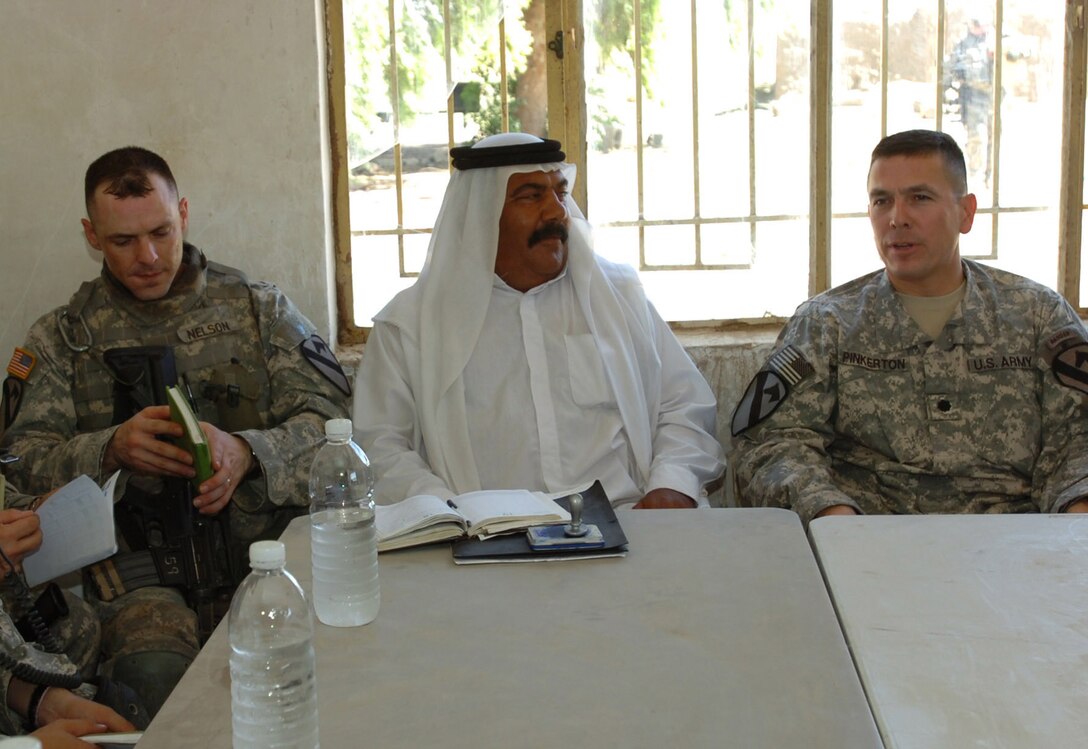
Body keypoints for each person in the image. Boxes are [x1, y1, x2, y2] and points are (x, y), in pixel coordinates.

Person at [0, 147, 351, 715]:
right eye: (122, 241)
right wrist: (108, 448)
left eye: (161, 231)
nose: (147, 256)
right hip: (139, 587)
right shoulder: (61, 341)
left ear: (183, 213)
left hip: (269, 561)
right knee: (153, 685)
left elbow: (338, 434)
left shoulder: (258, 310)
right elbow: (16, 468)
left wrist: (247, 453)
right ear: (91, 235)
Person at [730, 129, 1088, 525]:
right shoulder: (827, 323)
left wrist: (1074, 528)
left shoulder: (1036, 315)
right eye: (882, 201)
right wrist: (833, 516)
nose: (897, 219)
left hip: (1014, 542)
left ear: (966, 213)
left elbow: (1078, 438)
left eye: (920, 198)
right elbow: (773, 444)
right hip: (869, 541)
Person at [353, 133, 724, 509]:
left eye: (560, 193)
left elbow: (683, 406)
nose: (556, 212)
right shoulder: (411, 326)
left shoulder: (619, 297)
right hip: (482, 539)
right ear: (482, 214)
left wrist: (671, 484)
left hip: (628, 523)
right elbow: (380, 447)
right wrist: (443, 510)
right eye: (531, 196)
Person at [948, 18, 994, 186]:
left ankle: (990, 176)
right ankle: (975, 176)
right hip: (973, 97)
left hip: (996, 98)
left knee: (994, 139)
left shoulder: (998, 39)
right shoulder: (963, 44)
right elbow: (952, 67)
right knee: (977, 138)